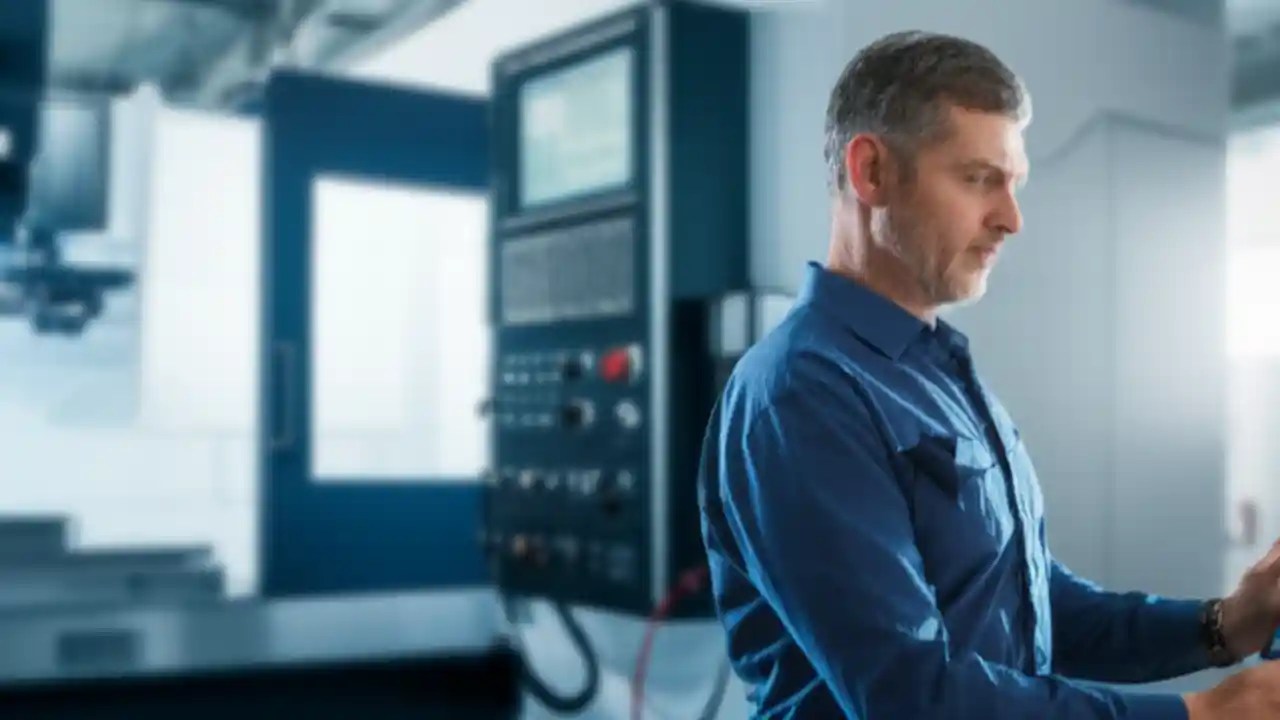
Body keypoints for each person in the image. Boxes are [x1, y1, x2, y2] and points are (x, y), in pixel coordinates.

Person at [696, 30, 1280, 719]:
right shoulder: (799, 396)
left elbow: (1034, 610)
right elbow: (911, 696)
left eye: (1014, 184)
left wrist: (1224, 625)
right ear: (871, 173)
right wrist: (1204, 714)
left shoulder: (935, 371)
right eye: (979, 180)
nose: (1011, 218)